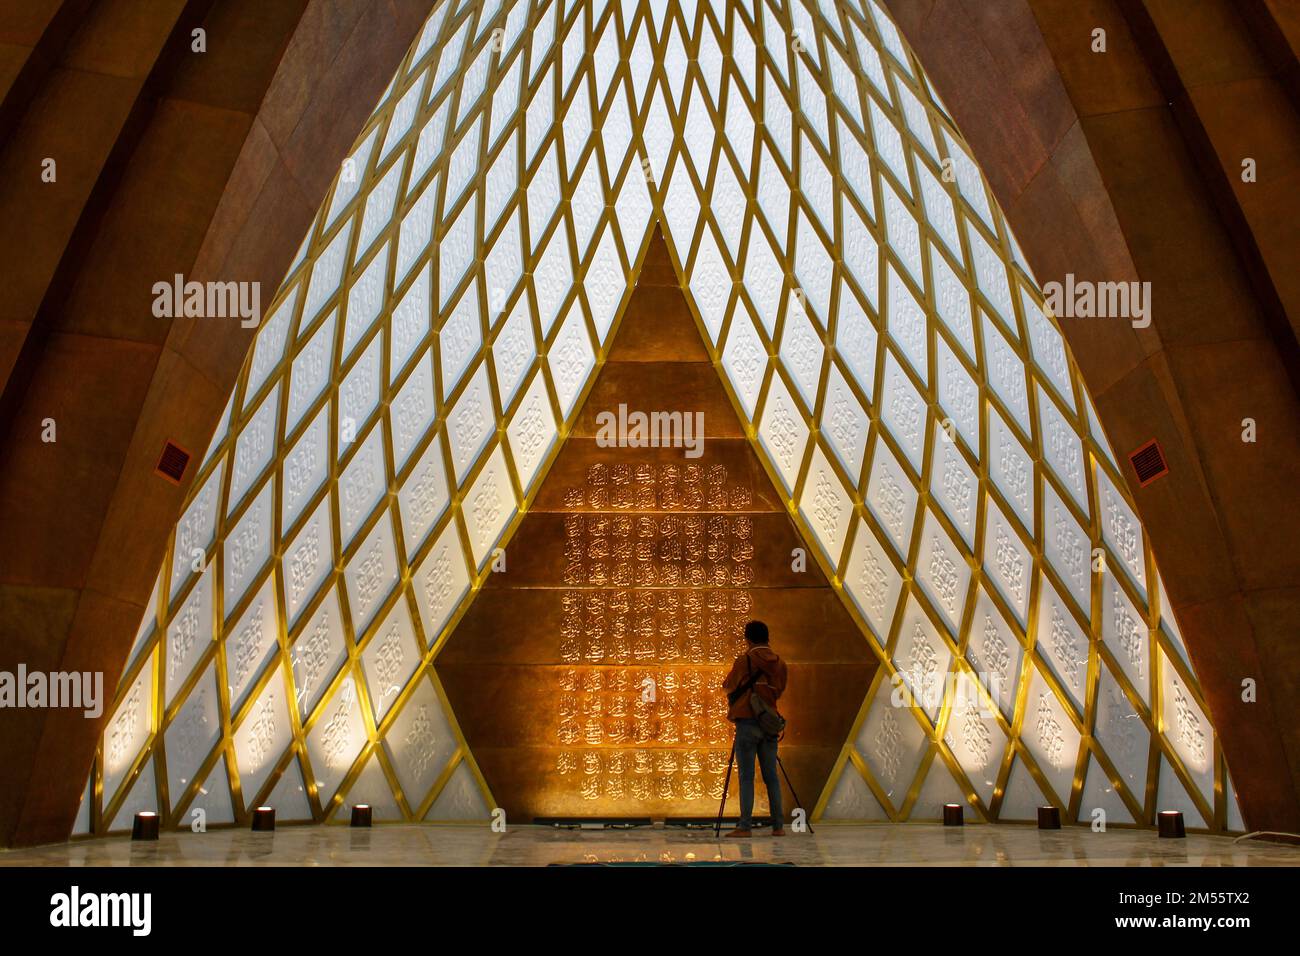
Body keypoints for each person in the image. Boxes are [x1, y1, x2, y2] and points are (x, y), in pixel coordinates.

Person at [720, 620, 788, 837]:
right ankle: (778, 826)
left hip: (748, 721)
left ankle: (745, 826)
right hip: (769, 723)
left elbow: (728, 685)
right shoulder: (779, 663)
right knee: (771, 776)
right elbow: (779, 690)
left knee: (747, 776)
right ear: (768, 637)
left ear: (747, 639)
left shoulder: (745, 660)